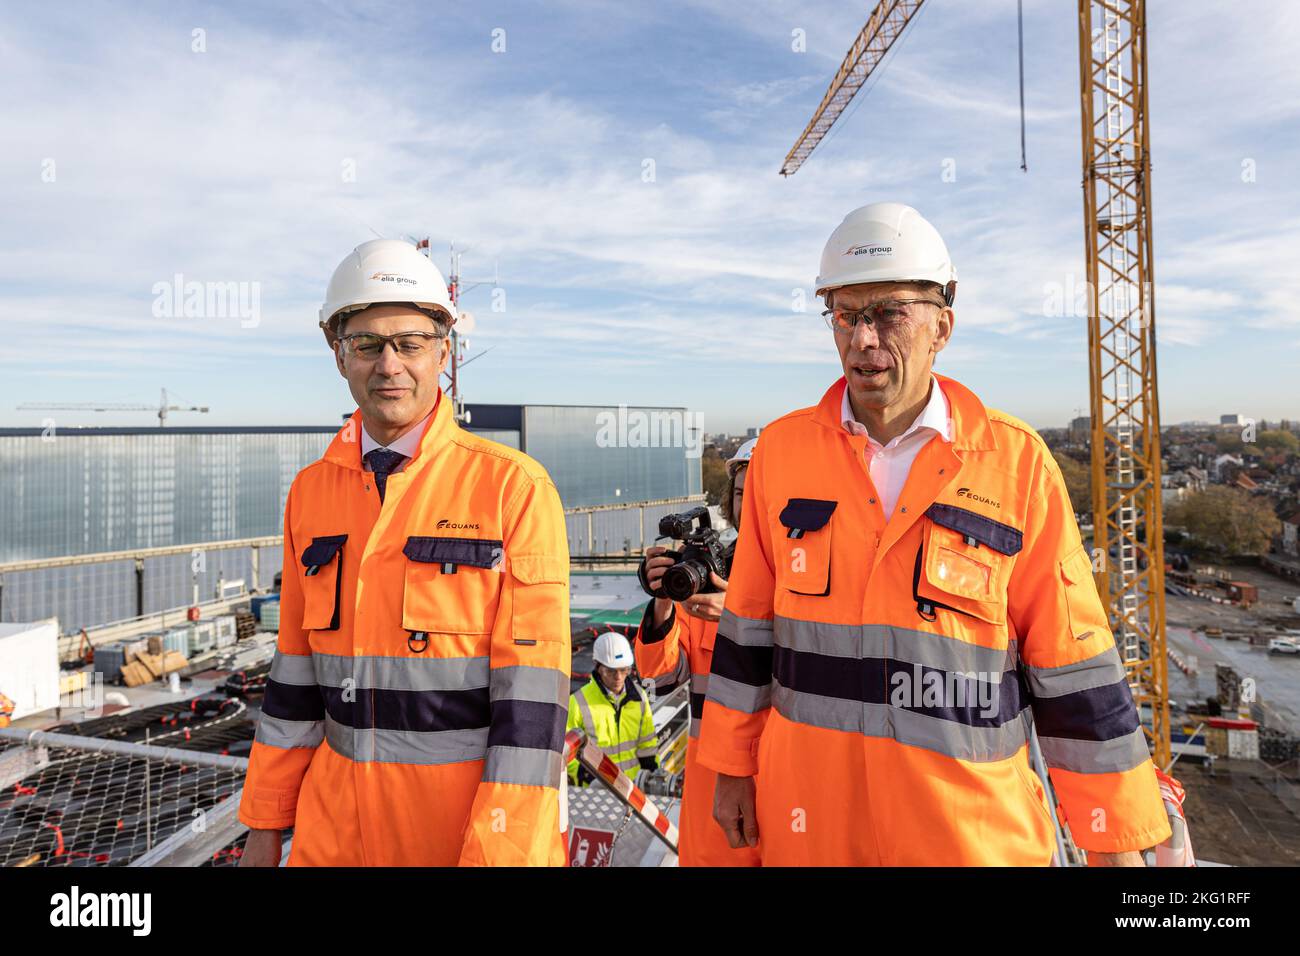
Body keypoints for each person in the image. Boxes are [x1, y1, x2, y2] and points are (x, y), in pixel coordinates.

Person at [698, 202, 1172, 866]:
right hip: (810, 822)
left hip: (967, 834)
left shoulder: (1016, 463)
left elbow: (1072, 662)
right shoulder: (781, 453)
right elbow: (747, 629)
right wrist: (730, 765)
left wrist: (1112, 836)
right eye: (845, 314)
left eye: (888, 313)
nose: (863, 339)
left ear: (941, 326)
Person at [238, 239, 571, 866]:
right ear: (338, 356)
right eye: (366, 343)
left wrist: (500, 856)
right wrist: (264, 822)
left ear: (444, 352)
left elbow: (532, 706)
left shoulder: (512, 489)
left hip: (458, 838)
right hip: (332, 838)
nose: (389, 365)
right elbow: (294, 678)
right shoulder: (312, 492)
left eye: (410, 343)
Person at [635, 439, 761, 867]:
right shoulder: (711, 573)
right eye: (742, 492)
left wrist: (744, 620)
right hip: (714, 786)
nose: (750, 503)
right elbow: (662, 672)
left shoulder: (816, 578)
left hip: (789, 777)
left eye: (762, 489)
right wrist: (664, 600)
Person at [567, 632, 657, 787]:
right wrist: (587, 777)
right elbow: (567, 752)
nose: (619, 677)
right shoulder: (577, 702)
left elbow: (647, 743)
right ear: (598, 667)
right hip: (596, 790)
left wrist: (651, 774)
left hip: (633, 790)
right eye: (611, 671)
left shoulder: (640, 698)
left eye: (624, 670)